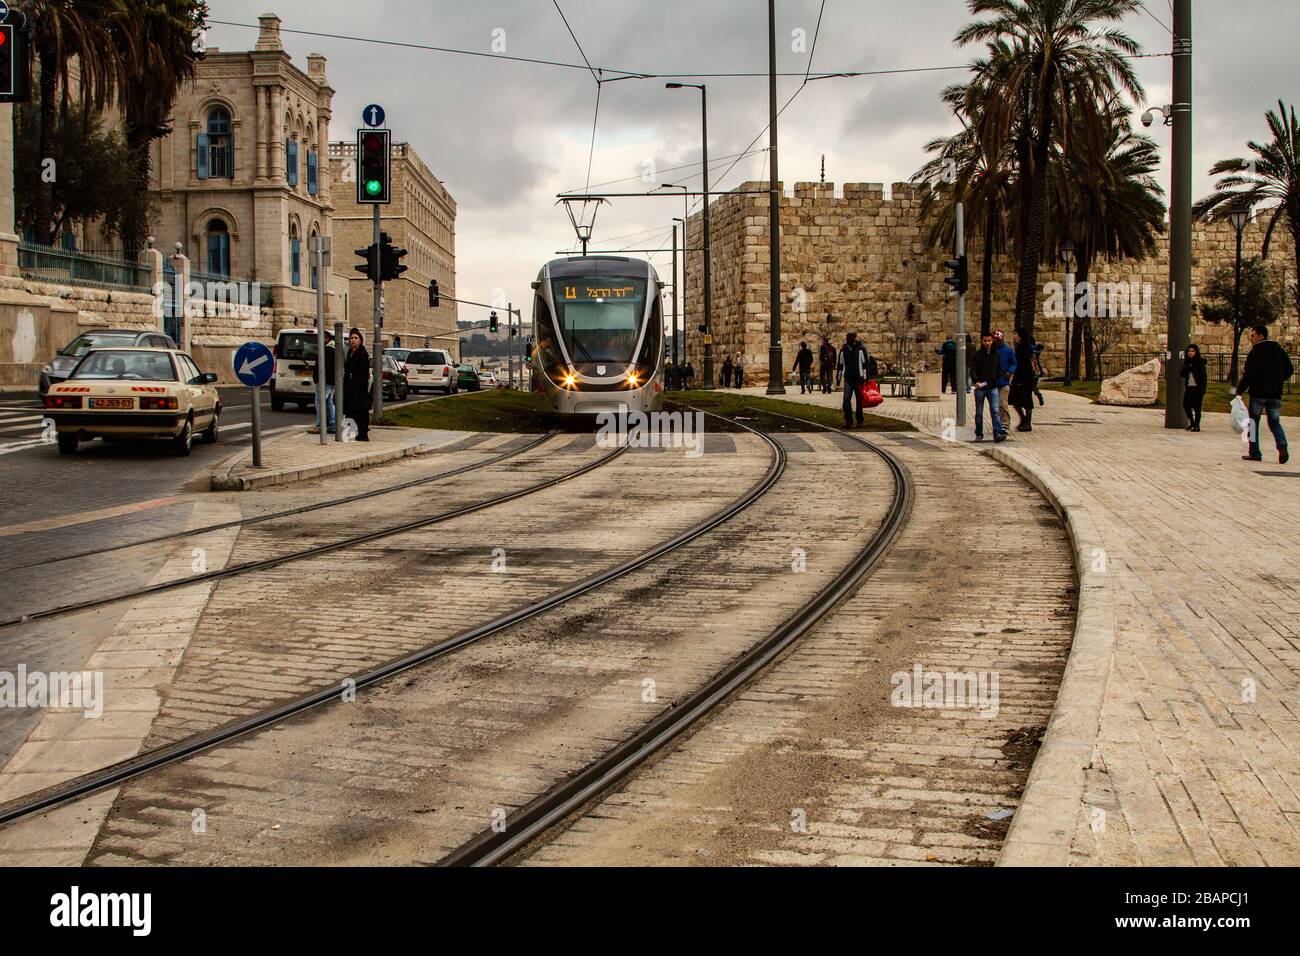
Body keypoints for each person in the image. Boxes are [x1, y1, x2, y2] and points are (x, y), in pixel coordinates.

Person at [1236, 324, 1292, 463]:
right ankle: (1282, 444)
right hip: (1275, 394)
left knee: (1253, 423)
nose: (1251, 338)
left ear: (1261, 336)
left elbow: (1248, 374)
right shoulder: (1279, 351)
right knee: (1275, 422)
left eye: (1253, 335)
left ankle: (1255, 452)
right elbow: (1289, 369)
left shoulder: (1255, 353)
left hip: (1258, 394)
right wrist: (1278, 381)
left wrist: (1240, 390)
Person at [970, 332, 1007, 443]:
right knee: (979, 412)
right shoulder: (977, 355)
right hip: (980, 387)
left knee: (995, 410)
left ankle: (997, 433)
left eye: (989, 341)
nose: (987, 343)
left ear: (992, 341)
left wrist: (995, 379)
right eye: (985, 341)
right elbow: (973, 369)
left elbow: (1000, 369)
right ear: (982, 341)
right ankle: (979, 433)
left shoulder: (996, 355)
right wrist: (976, 381)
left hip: (992, 386)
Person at [343, 327, 371, 442]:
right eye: (351, 338)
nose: (353, 340)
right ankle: (350, 433)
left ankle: (363, 434)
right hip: (350, 387)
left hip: (359, 389)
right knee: (350, 411)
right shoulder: (350, 352)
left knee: (361, 412)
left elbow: (364, 374)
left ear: (360, 340)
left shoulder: (362, 353)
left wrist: (360, 387)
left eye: (356, 338)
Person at [838, 332, 869, 428]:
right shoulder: (843, 350)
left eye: (850, 337)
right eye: (847, 337)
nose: (848, 339)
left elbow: (865, 364)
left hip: (858, 378)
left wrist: (865, 378)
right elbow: (840, 364)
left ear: (854, 338)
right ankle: (848, 420)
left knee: (859, 400)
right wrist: (838, 378)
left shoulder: (860, 349)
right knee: (846, 399)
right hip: (848, 378)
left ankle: (859, 419)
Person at [308, 331, 336, 435]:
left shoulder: (327, 350)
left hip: (325, 382)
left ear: (326, 338)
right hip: (329, 381)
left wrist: (319, 378)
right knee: (329, 402)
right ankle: (332, 424)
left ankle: (320, 425)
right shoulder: (331, 349)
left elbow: (324, 366)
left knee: (320, 402)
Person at [1010, 328, 1036, 432]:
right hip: (1022, 378)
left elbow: (1023, 365)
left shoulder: (1024, 348)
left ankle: (1027, 422)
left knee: (1026, 400)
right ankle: (1024, 420)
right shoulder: (1020, 347)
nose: (1014, 336)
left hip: (1024, 378)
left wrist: (1019, 379)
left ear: (1020, 336)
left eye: (1016, 334)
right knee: (1016, 400)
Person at [1179, 344, 1207, 432]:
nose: (1190, 353)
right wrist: (1187, 367)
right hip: (1189, 387)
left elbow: (1203, 377)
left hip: (1198, 388)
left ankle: (1197, 425)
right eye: (1189, 351)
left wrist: (1202, 389)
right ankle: (1192, 422)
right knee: (1186, 405)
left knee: (1197, 408)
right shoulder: (1187, 362)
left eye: (1192, 351)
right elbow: (1182, 374)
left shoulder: (1200, 363)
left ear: (1196, 352)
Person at [993, 329, 1016, 432]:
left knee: (1002, 404)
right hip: (992, 383)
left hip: (1003, 382)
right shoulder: (990, 351)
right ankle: (997, 424)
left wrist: (1010, 371)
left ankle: (1005, 424)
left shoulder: (1008, 351)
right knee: (995, 407)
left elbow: (1014, 363)